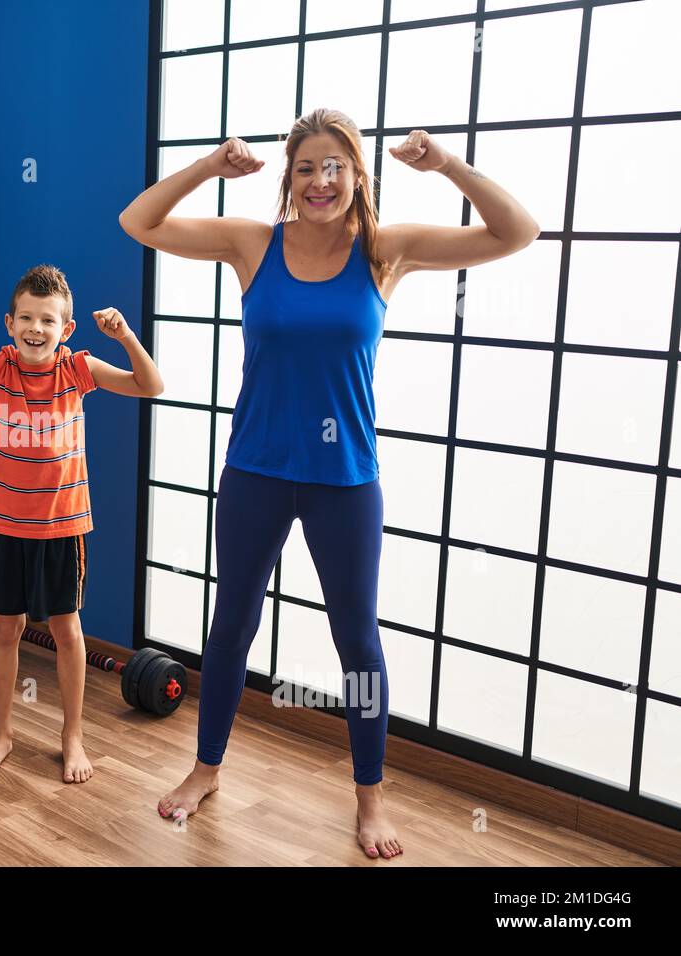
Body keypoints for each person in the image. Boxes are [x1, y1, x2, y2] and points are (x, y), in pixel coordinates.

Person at [119, 107, 540, 859]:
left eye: (336, 167)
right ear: (290, 179)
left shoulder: (383, 251)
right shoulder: (253, 244)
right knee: (232, 626)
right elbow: (139, 220)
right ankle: (206, 768)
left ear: (356, 177)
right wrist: (209, 167)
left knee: (358, 644)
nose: (321, 181)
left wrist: (447, 165)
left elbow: (517, 231)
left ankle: (370, 797)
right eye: (307, 168)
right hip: (255, 469)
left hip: (344, 479)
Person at [0, 266, 163, 783]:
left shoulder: (79, 369)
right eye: (26, 317)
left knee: (67, 631)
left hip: (61, 527)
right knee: (6, 628)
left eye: (48, 320)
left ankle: (72, 736)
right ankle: (2, 733)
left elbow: (150, 385)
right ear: (9, 322)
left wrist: (125, 336)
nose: (36, 328)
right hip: (3, 525)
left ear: (66, 330)